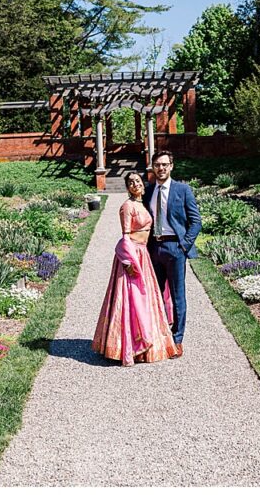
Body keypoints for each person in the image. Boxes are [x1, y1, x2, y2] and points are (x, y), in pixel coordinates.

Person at [92, 172, 182, 365]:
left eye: (138, 181)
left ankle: (149, 342)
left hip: (144, 255)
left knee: (146, 299)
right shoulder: (127, 206)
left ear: (143, 184)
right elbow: (125, 236)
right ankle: (129, 345)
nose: (135, 184)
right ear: (127, 187)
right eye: (131, 182)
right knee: (131, 300)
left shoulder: (143, 203)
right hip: (132, 255)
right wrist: (128, 261)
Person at [145, 151, 202, 353]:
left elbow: (196, 222)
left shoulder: (182, 190)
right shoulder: (148, 191)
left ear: (171, 166)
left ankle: (177, 338)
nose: (161, 168)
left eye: (164, 165)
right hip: (154, 248)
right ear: (152, 167)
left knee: (178, 296)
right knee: (154, 294)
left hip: (175, 248)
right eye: (157, 165)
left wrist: (184, 245)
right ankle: (159, 333)